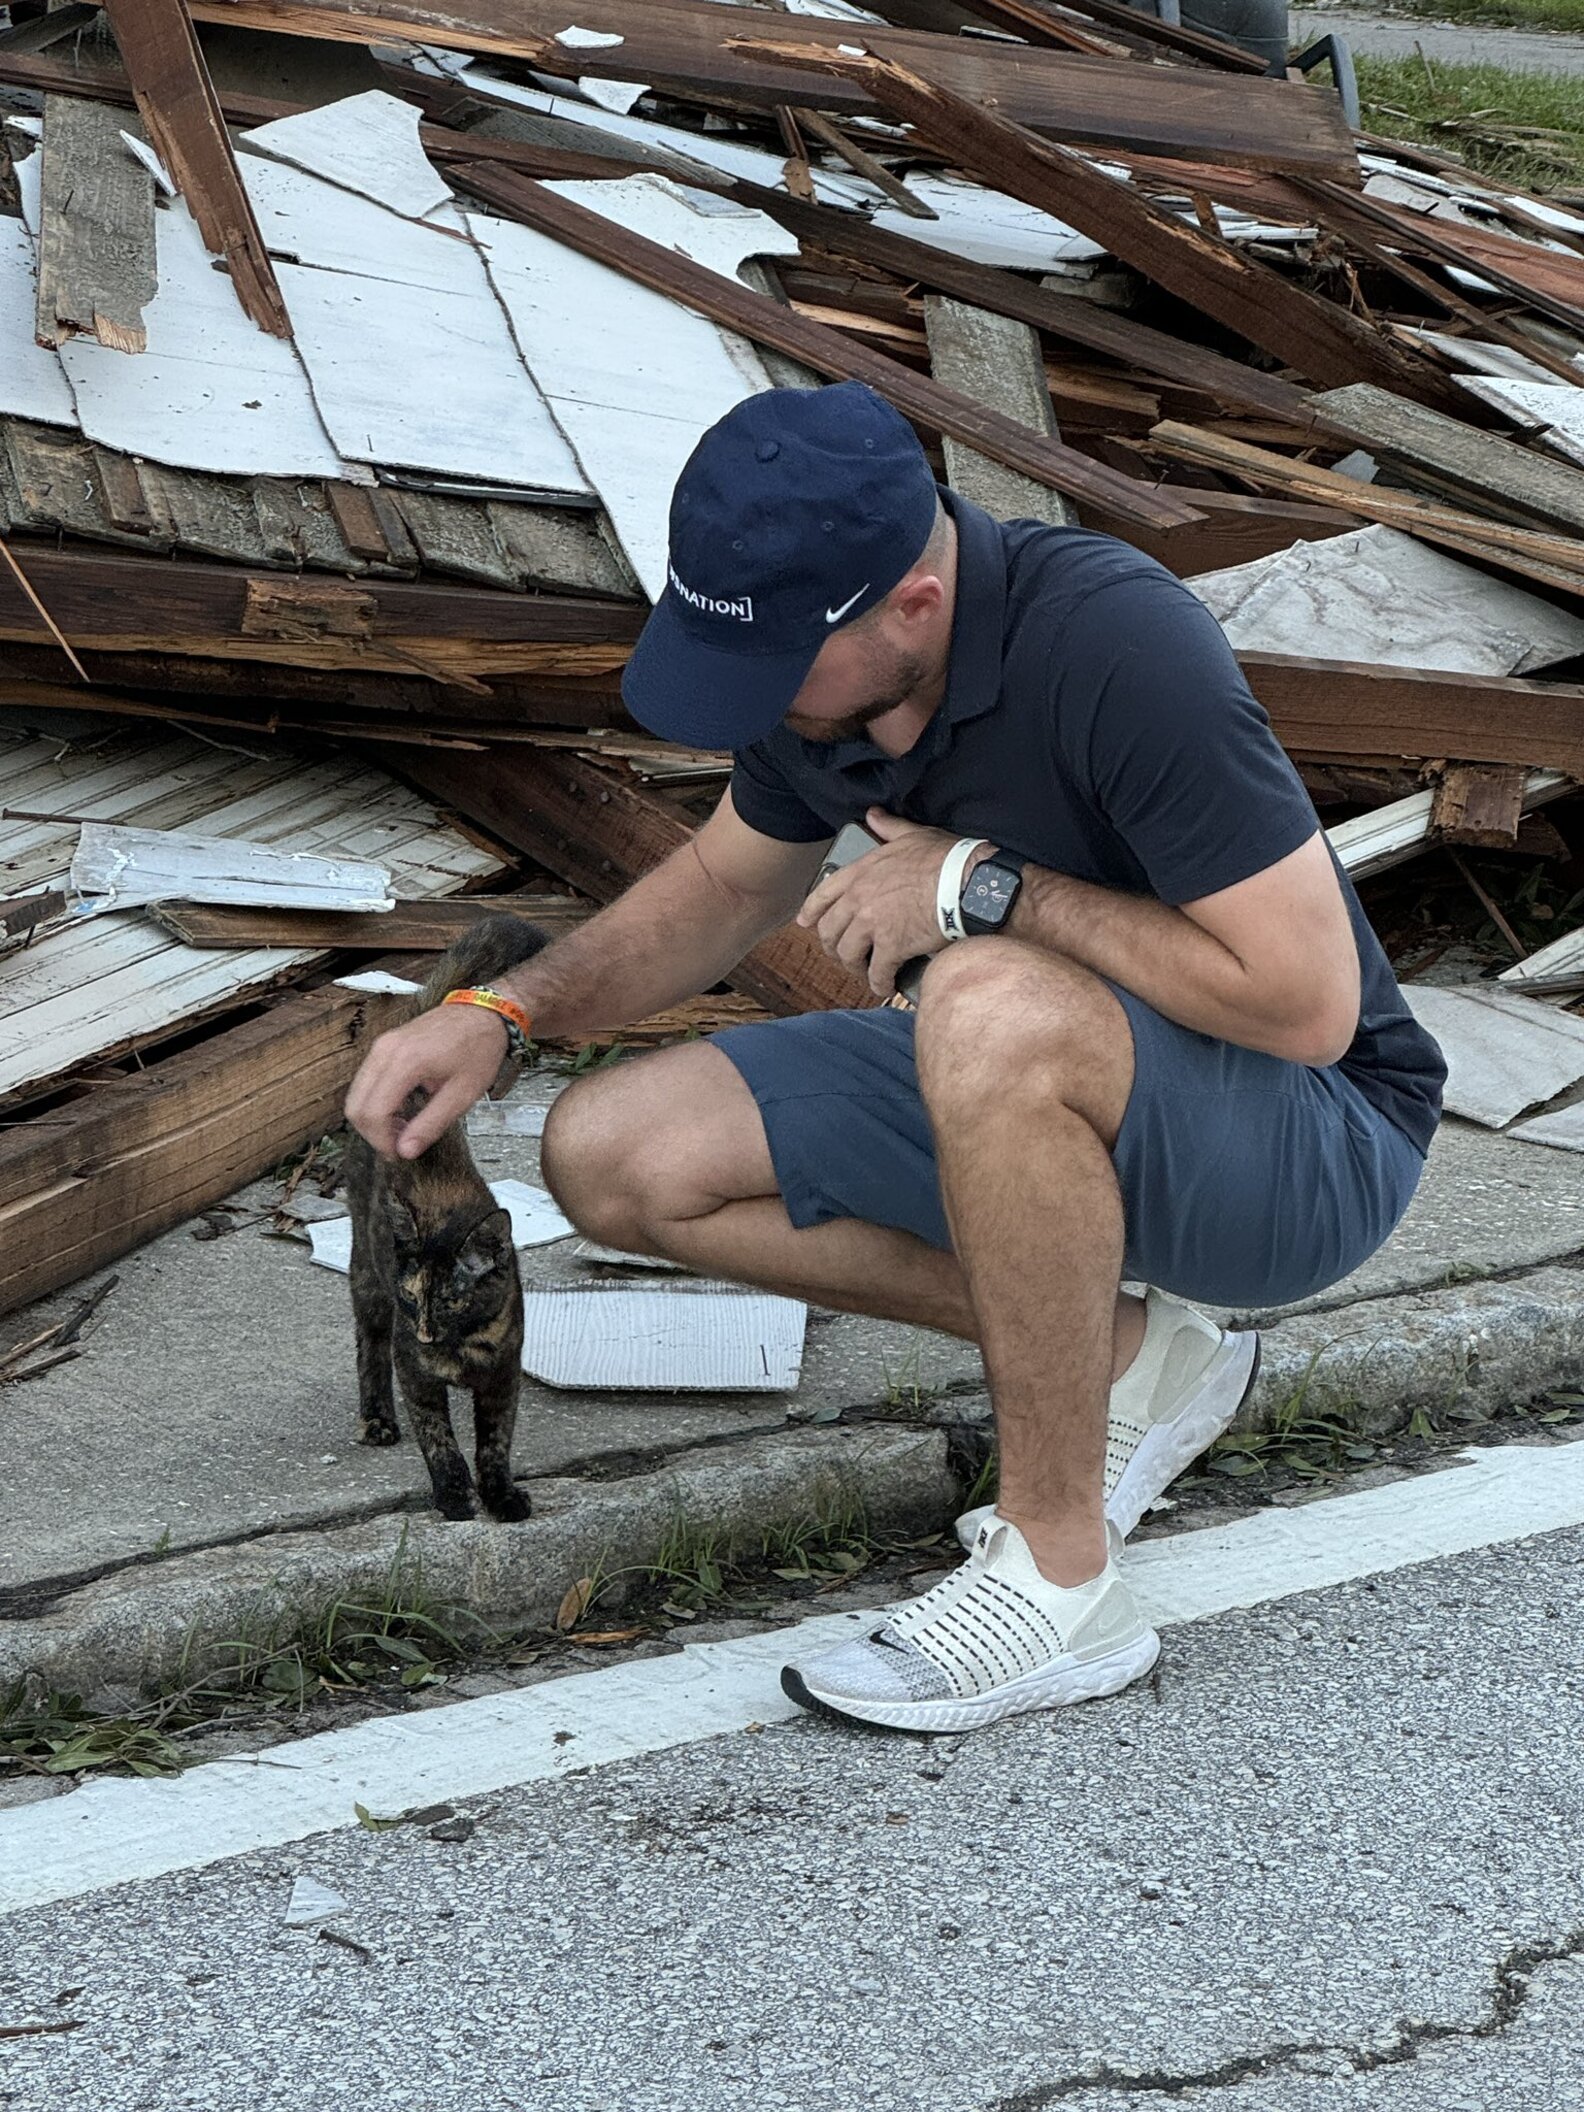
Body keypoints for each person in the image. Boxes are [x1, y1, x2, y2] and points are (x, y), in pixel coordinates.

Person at [346, 382, 1445, 1735]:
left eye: (776, 670)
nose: (749, 704)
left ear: (914, 606)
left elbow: (1305, 1004)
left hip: (1309, 1146)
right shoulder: (822, 684)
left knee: (979, 998)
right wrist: (500, 1013)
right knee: (616, 1155)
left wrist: (987, 887)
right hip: (1053, 1075)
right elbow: (718, 893)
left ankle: (1060, 1579)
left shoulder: (1113, 642)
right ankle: (1131, 1353)